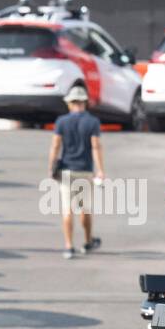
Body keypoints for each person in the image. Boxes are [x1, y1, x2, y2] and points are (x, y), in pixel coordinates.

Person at [49, 85, 105, 260]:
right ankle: (87, 241)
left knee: (67, 210)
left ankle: (68, 246)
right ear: (85, 103)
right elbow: (95, 146)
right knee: (85, 209)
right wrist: (100, 170)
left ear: (70, 104)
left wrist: (51, 166)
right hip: (85, 171)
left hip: (66, 170)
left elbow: (56, 145)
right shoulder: (92, 122)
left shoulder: (61, 122)